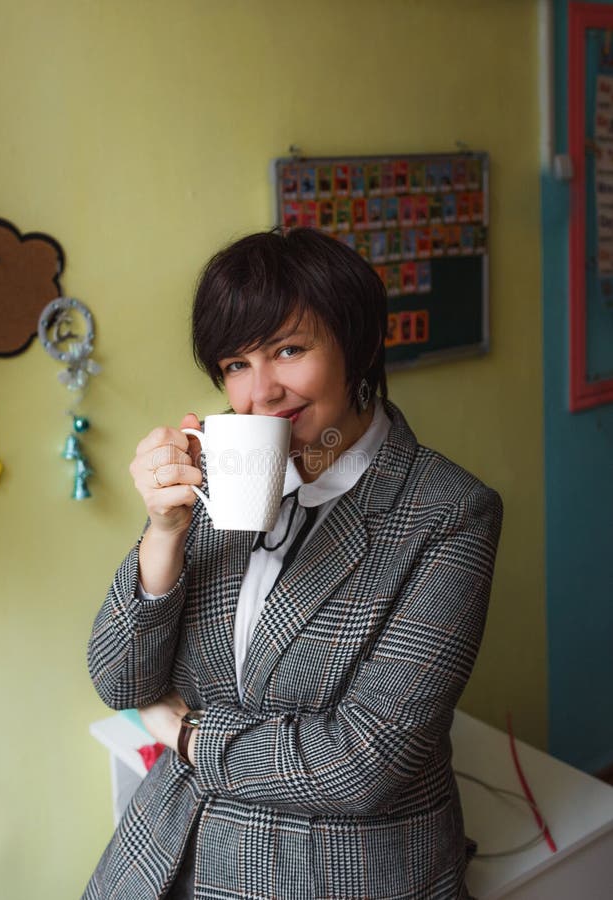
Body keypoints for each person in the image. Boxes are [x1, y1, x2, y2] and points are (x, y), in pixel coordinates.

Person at [83, 227, 503, 900]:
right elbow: (119, 680)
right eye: (235, 364)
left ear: (358, 346)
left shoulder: (448, 512)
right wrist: (163, 532)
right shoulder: (220, 467)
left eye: (289, 350)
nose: (261, 392)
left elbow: (365, 763)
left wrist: (188, 734)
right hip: (171, 853)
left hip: (342, 874)